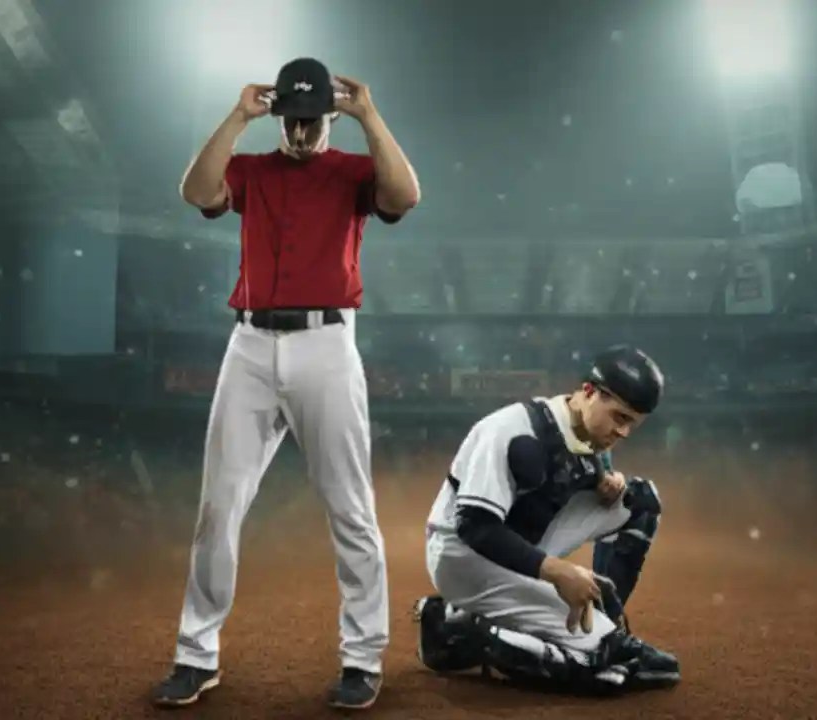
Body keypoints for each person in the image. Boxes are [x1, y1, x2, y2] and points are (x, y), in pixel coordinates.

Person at [150, 57, 420, 710]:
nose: (300, 133)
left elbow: (405, 197)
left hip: (327, 343)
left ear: (329, 114)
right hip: (248, 345)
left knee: (349, 508)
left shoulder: (355, 170)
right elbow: (195, 191)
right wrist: (238, 116)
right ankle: (196, 654)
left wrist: (370, 116)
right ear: (279, 116)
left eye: (311, 119)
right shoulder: (252, 169)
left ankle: (361, 660)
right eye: (291, 120)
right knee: (219, 507)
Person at [412, 345, 680, 695]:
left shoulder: (587, 427)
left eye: (633, 423)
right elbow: (474, 525)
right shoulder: (512, 431)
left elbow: (581, 462)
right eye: (620, 417)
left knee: (640, 502)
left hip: (522, 542)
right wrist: (558, 571)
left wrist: (607, 477)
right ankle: (457, 632)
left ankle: (601, 620)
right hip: (463, 557)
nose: (624, 432)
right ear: (587, 392)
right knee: (598, 668)